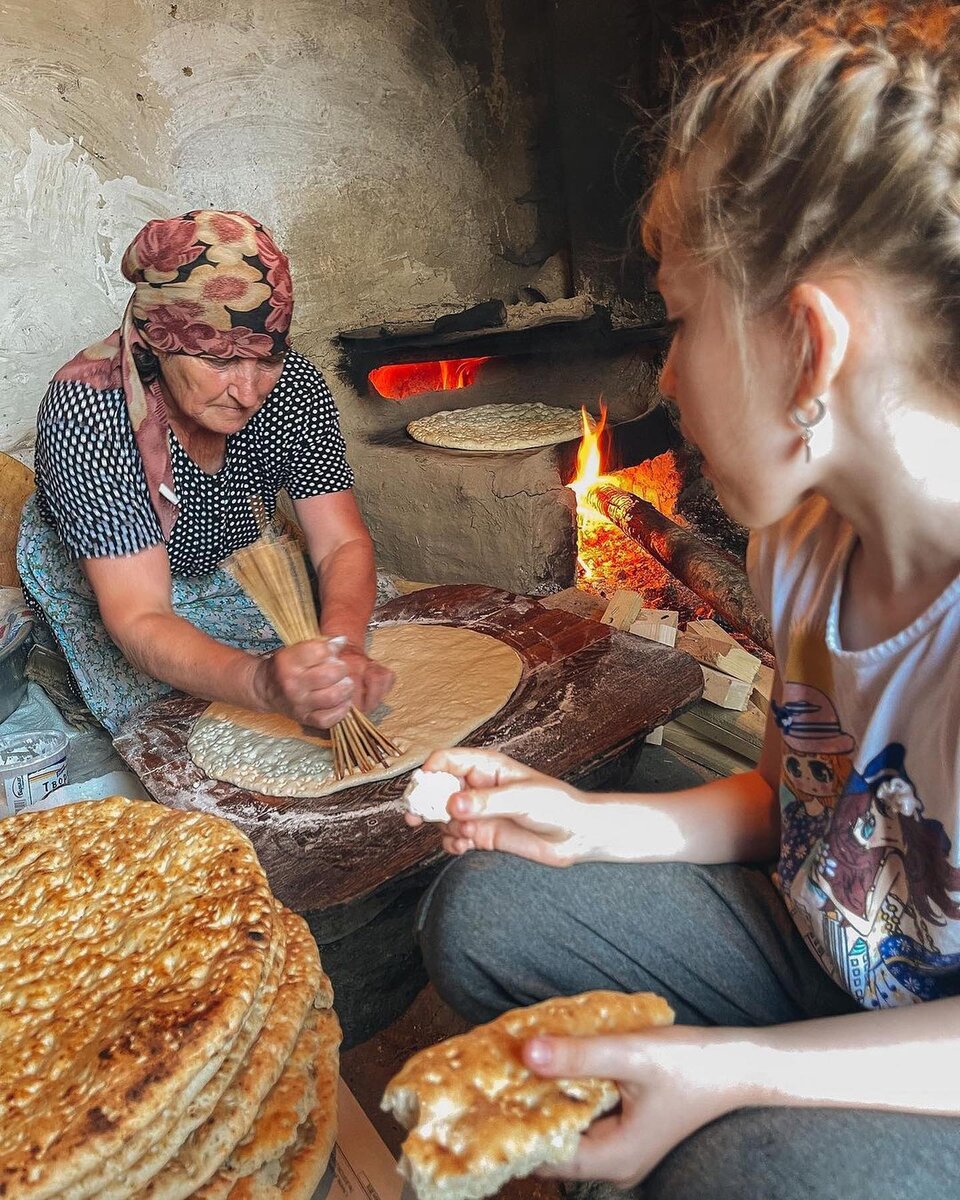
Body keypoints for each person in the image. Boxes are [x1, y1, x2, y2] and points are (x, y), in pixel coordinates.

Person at [408, 5, 960, 1197]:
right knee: (486, 913)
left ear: (810, 350)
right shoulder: (804, 547)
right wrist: (596, 825)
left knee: (740, 1166)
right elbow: (791, 799)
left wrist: (742, 1071)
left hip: (936, 1065)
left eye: (678, 320)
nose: (660, 376)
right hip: (824, 958)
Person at [17, 209, 393, 734]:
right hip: (124, 583)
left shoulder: (294, 386)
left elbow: (340, 543)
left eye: (265, 359)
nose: (248, 391)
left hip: (228, 557)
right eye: (218, 362)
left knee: (352, 643)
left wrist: (341, 648)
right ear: (157, 340)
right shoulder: (89, 408)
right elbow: (141, 616)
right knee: (170, 717)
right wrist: (262, 684)